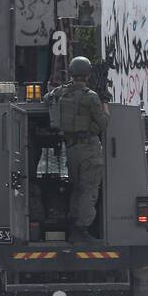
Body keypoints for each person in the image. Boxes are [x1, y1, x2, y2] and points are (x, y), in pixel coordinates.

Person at [49, 56, 109, 242]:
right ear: (88, 75)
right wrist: (105, 103)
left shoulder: (61, 93)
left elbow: (47, 97)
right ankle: (81, 229)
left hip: (72, 148)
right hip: (89, 150)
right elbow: (103, 122)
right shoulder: (91, 97)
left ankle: (73, 224)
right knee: (89, 190)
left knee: (77, 188)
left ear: (72, 73)